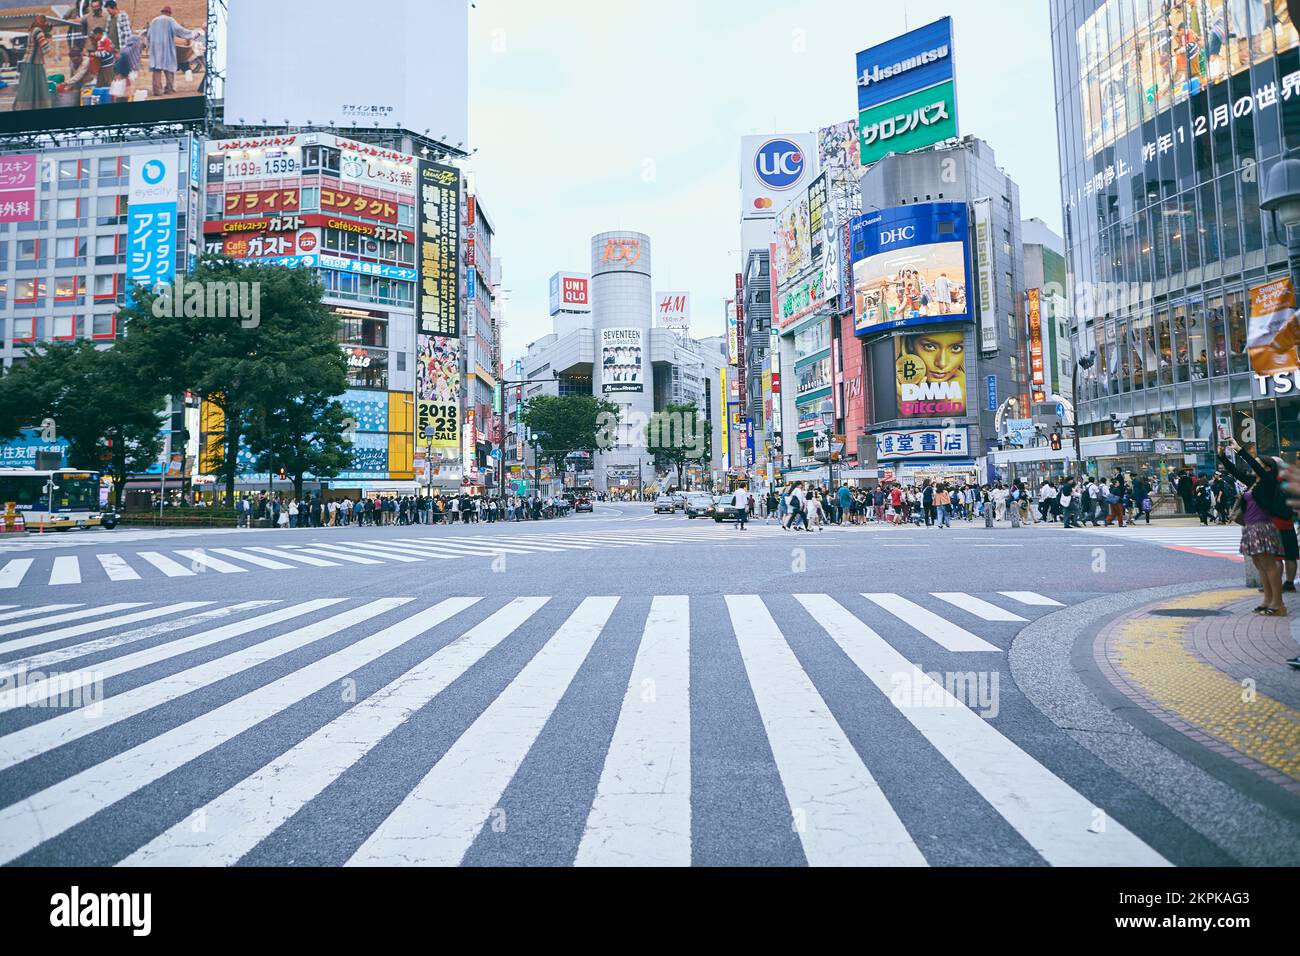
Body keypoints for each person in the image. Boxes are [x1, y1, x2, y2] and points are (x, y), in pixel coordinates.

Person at [1221, 441, 1287, 617]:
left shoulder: (1268, 482)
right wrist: (1222, 456)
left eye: (1259, 464)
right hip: (1250, 527)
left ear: (1267, 468)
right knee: (1259, 564)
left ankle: (1278, 603)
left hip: (1262, 526)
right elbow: (1235, 472)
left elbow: (1253, 466)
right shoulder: (1254, 482)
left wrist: (1240, 450)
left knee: (1269, 564)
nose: (1255, 467)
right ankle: (1267, 599)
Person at [144, 5, 197, 97]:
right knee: (169, 67)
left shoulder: (154, 20)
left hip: (155, 49)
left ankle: (157, 90)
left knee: (157, 69)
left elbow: (148, 35)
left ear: (162, 12)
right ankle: (169, 88)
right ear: (169, 13)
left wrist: (148, 46)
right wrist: (193, 34)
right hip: (166, 47)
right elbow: (180, 30)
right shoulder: (170, 20)